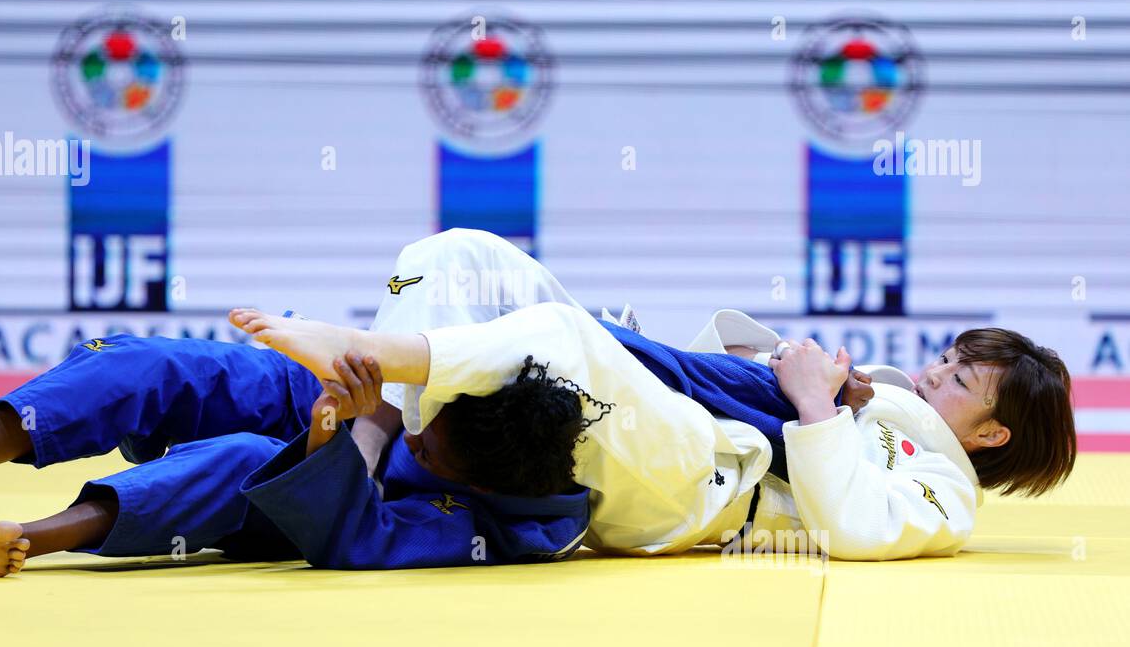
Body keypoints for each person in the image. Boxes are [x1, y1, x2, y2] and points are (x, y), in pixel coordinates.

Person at [236, 229, 1077, 561]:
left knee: (566, 344)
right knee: (466, 254)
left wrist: (816, 404)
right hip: (683, 422)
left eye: (959, 380)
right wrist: (783, 361)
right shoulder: (888, 397)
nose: (933, 375)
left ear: (995, 435)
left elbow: (853, 528)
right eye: (946, 359)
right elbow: (724, 371)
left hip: (698, 488)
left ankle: (369, 365)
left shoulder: (947, 492)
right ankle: (370, 442)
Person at [0, 334, 592, 575]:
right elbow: (409, 298)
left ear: (469, 477)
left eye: (435, 447)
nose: (424, 431)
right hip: (354, 408)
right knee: (156, 366)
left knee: (240, 459)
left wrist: (347, 435)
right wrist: (381, 391)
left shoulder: (508, 520)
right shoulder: (523, 359)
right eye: (435, 420)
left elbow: (354, 541)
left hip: (322, 487)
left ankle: (27, 540)